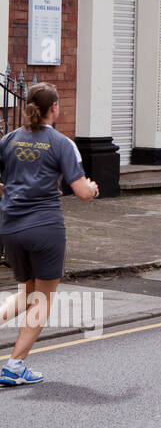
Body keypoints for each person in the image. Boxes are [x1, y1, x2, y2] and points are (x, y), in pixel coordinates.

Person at [0, 84, 99, 386]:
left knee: (27, 292)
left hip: (10, 226)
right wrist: (93, 188)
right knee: (42, 299)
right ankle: (14, 366)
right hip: (44, 228)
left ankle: (16, 363)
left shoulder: (8, 140)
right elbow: (82, 192)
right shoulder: (61, 143)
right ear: (54, 107)